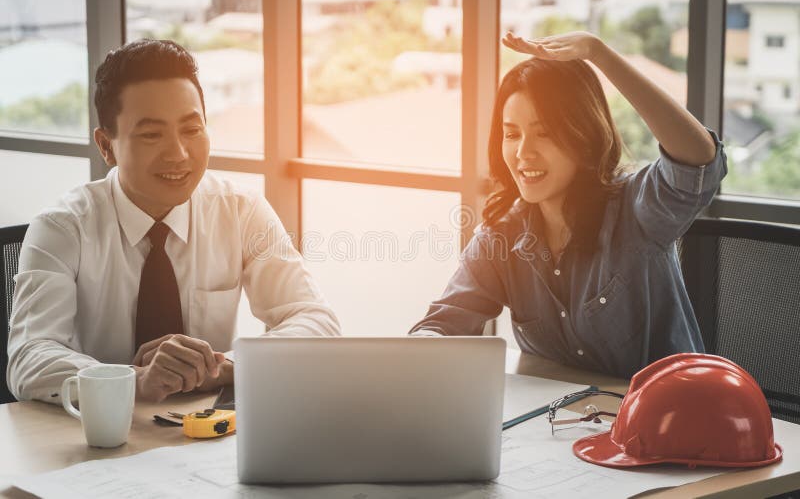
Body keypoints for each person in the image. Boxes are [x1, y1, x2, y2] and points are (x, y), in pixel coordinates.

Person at [7, 39, 340, 404]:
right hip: (95, 436)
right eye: (151, 135)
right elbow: (29, 358)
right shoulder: (62, 228)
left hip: (203, 433)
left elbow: (316, 322)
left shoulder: (240, 210)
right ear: (106, 146)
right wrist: (134, 380)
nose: (179, 154)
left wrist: (226, 366)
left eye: (192, 129)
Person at [410, 31, 727, 378]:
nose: (522, 152)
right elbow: (444, 322)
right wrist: (418, 353)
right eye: (512, 133)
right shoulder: (501, 235)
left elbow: (697, 160)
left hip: (664, 420)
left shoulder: (636, 209)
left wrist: (599, 54)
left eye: (544, 132)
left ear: (583, 135)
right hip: (557, 424)